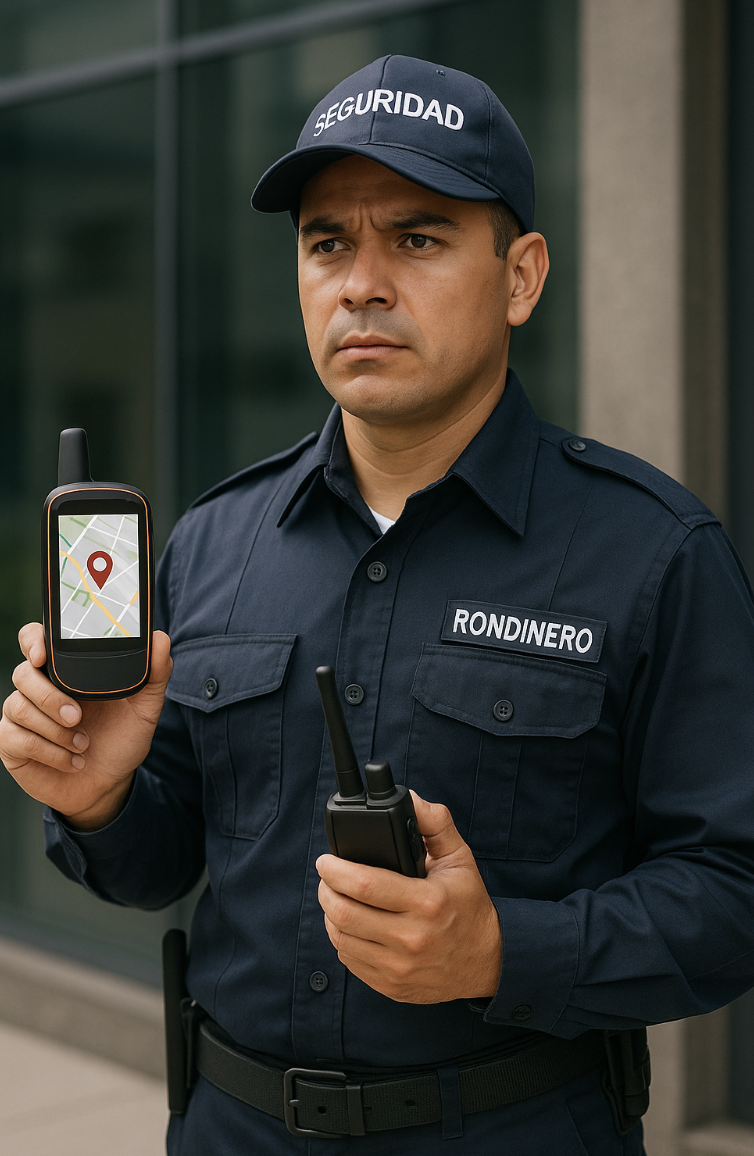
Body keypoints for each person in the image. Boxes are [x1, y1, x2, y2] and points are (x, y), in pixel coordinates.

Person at [2, 53, 754, 1156]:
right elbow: (165, 863)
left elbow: (733, 889)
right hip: (230, 1130)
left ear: (521, 276)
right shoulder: (216, 541)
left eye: (417, 238)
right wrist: (101, 800)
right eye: (326, 244)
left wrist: (504, 951)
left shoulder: (652, 552)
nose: (360, 283)